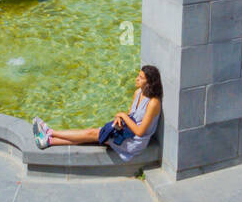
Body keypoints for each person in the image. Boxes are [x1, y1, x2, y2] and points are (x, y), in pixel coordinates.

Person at [32, 66, 162, 163]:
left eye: (141, 78)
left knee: (92, 133)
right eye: (138, 76)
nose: (137, 79)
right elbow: (130, 115)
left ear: (149, 82)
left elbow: (140, 131)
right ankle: (49, 140)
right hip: (126, 132)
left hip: (134, 142)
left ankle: (50, 133)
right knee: (94, 134)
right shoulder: (138, 92)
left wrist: (123, 115)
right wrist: (119, 118)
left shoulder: (153, 103)